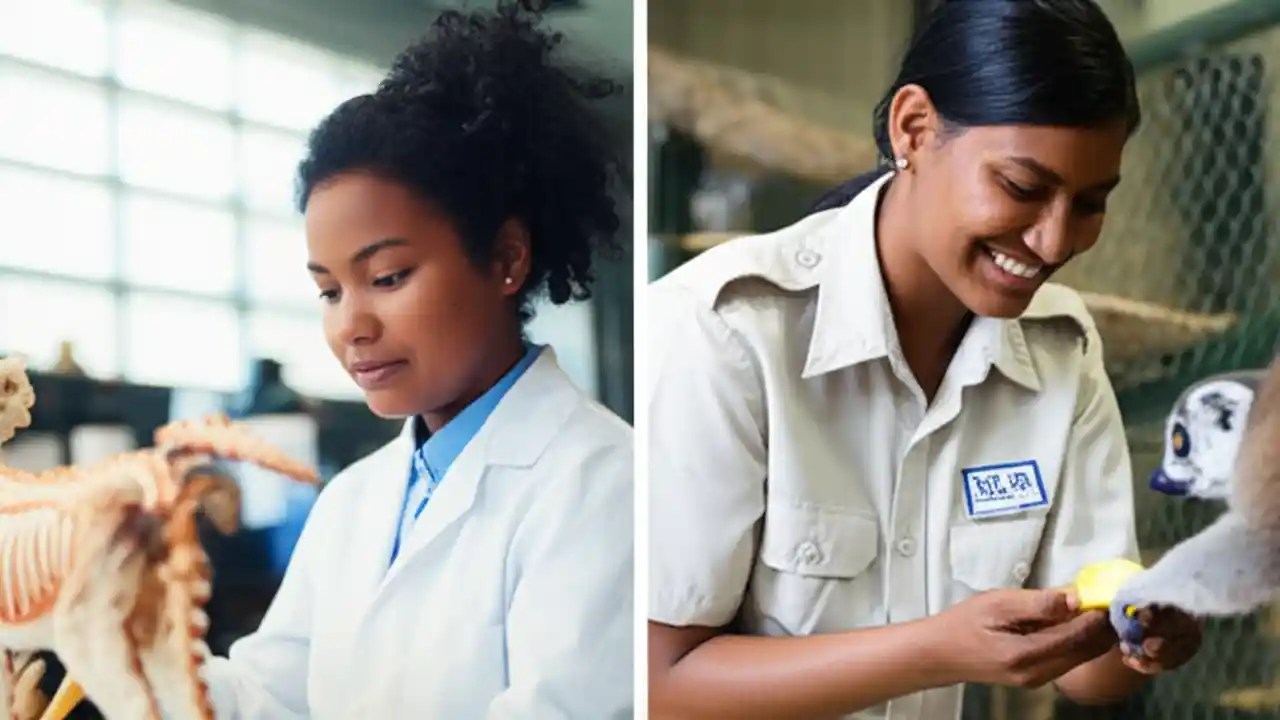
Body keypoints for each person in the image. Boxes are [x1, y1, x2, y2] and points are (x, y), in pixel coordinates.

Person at [646, 2, 1201, 719]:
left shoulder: (1064, 350)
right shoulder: (725, 329)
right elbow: (661, 684)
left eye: (1090, 204)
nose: (1055, 240)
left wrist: (1145, 636)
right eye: (1023, 189)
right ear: (914, 127)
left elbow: (1087, 675)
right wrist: (936, 650)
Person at [191, 4, 633, 718]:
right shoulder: (355, 500)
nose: (352, 327)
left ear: (505, 258)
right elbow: (268, 700)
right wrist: (127, 649)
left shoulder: (603, 485)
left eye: (389, 277)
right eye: (329, 290)